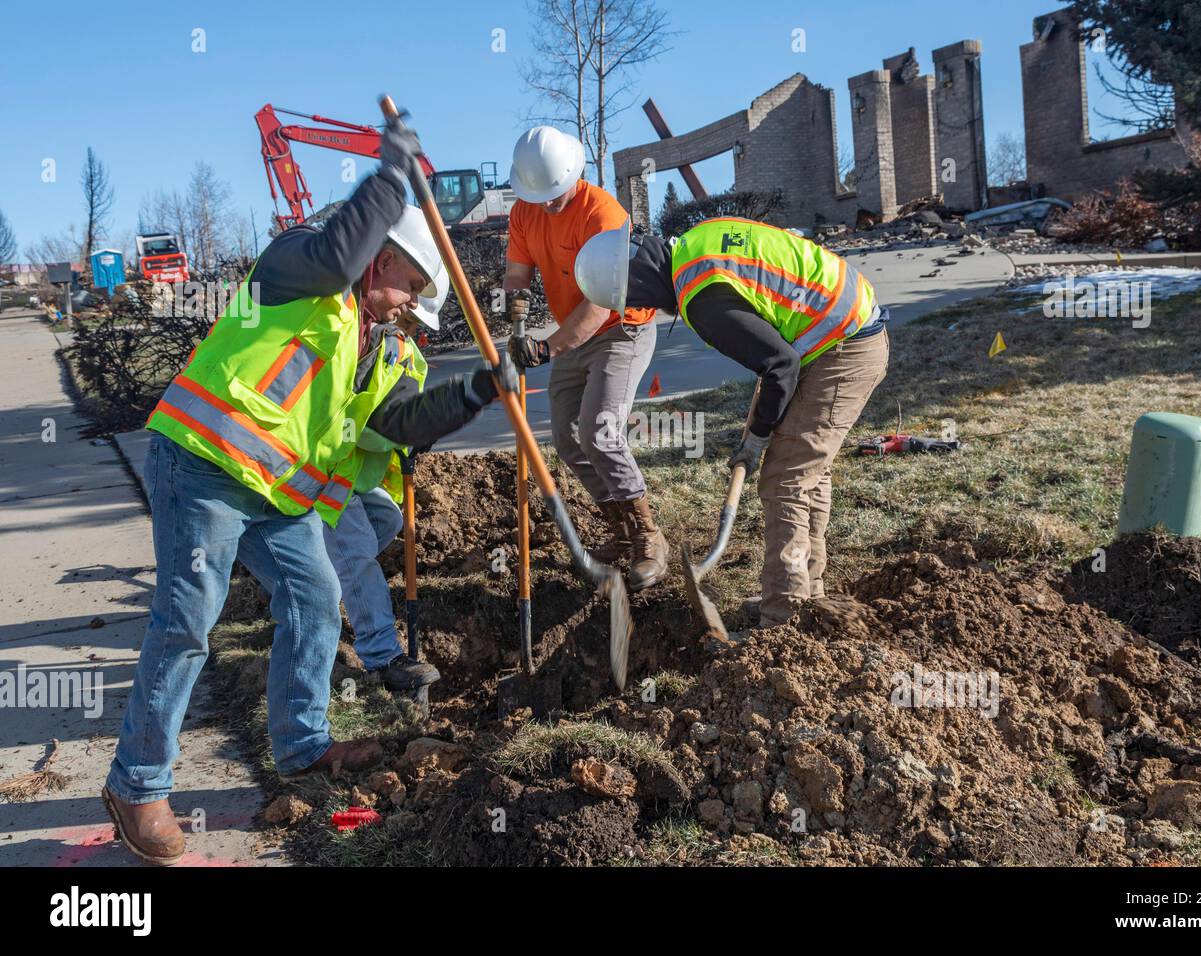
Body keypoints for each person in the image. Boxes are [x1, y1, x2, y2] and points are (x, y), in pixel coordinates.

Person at [103, 120, 517, 866]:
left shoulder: (369, 337)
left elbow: (398, 423)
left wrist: (483, 388)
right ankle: (137, 785)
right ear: (381, 257)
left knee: (316, 602)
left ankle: (302, 747)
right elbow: (334, 253)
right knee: (189, 620)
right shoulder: (297, 269)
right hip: (203, 465)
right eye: (412, 287)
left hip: (277, 496)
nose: (409, 306)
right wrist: (391, 176)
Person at [574, 216, 890, 628]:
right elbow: (773, 344)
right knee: (807, 471)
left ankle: (783, 616)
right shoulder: (693, 244)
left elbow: (780, 366)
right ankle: (806, 594)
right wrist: (764, 418)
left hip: (843, 345)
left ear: (636, 286)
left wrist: (757, 439)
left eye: (634, 300)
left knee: (786, 478)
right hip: (834, 329)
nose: (644, 309)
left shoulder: (701, 299)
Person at [503, 126, 667, 590]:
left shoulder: (602, 213)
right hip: (573, 335)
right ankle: (620, 530)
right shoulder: (524, 212)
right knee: (567, 436)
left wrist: (546, 347)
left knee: (600, 430)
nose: (549, 203)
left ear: (574, 172)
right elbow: (517, 273)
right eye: (540, 195)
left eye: (556, 194)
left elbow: (601, 302)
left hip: (621, 327)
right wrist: (515, 314)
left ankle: (648, 536)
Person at [320, 262, 449, 692]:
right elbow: (358, 419)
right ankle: (381, 657)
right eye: (407, 318)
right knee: (356, 553)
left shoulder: (407, 353)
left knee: (388, 522)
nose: (405, 326)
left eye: (414, 323)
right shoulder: (366, 341)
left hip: (354, 472)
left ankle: (326, 584)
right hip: (326, 469)